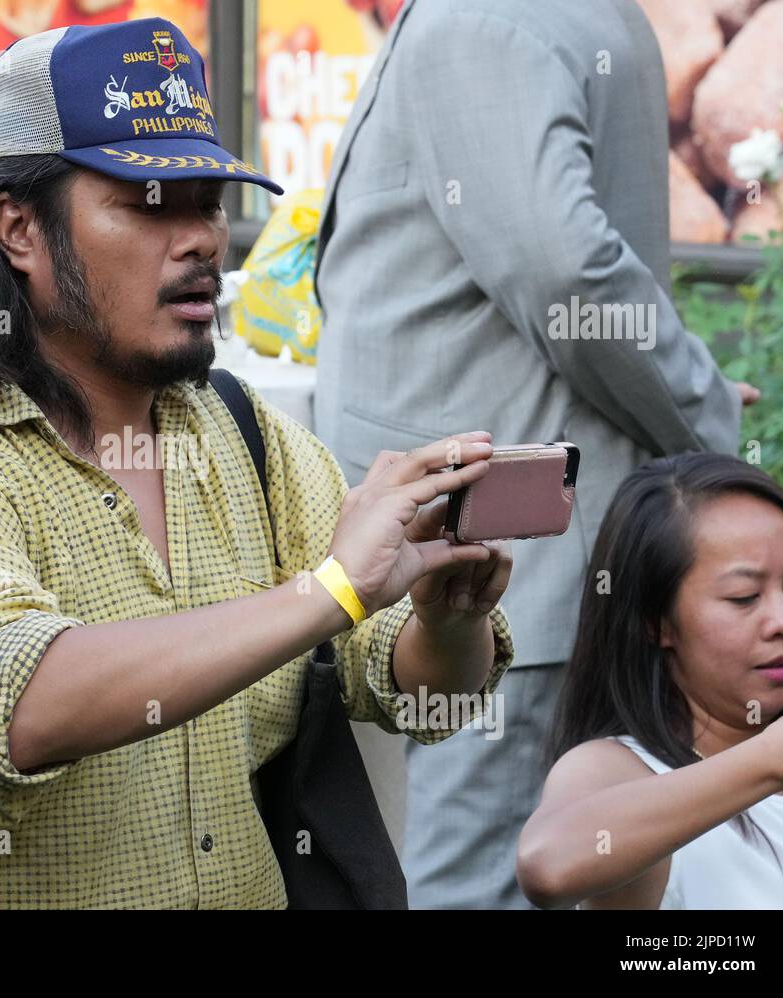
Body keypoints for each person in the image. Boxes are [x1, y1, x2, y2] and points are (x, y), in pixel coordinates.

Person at [0, 16, 515, 909]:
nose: (201, 241)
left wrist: (446, 618)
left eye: (208, 202)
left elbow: (411, 692)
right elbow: (7, 705)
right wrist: (330, 589)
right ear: (18, 229)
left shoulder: (241, 429)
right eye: (149, 203)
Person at [312, 0, 748, 908]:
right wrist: (685, 392)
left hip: (507, 556)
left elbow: (564, 272)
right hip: (514, 547)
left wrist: (700, 411)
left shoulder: (483, 20)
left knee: (484, 883)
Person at [517, 453, 783, 909]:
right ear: (655, 620)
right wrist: (769, 760)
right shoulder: (621, 768)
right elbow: (547, 865)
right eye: (744, 597)